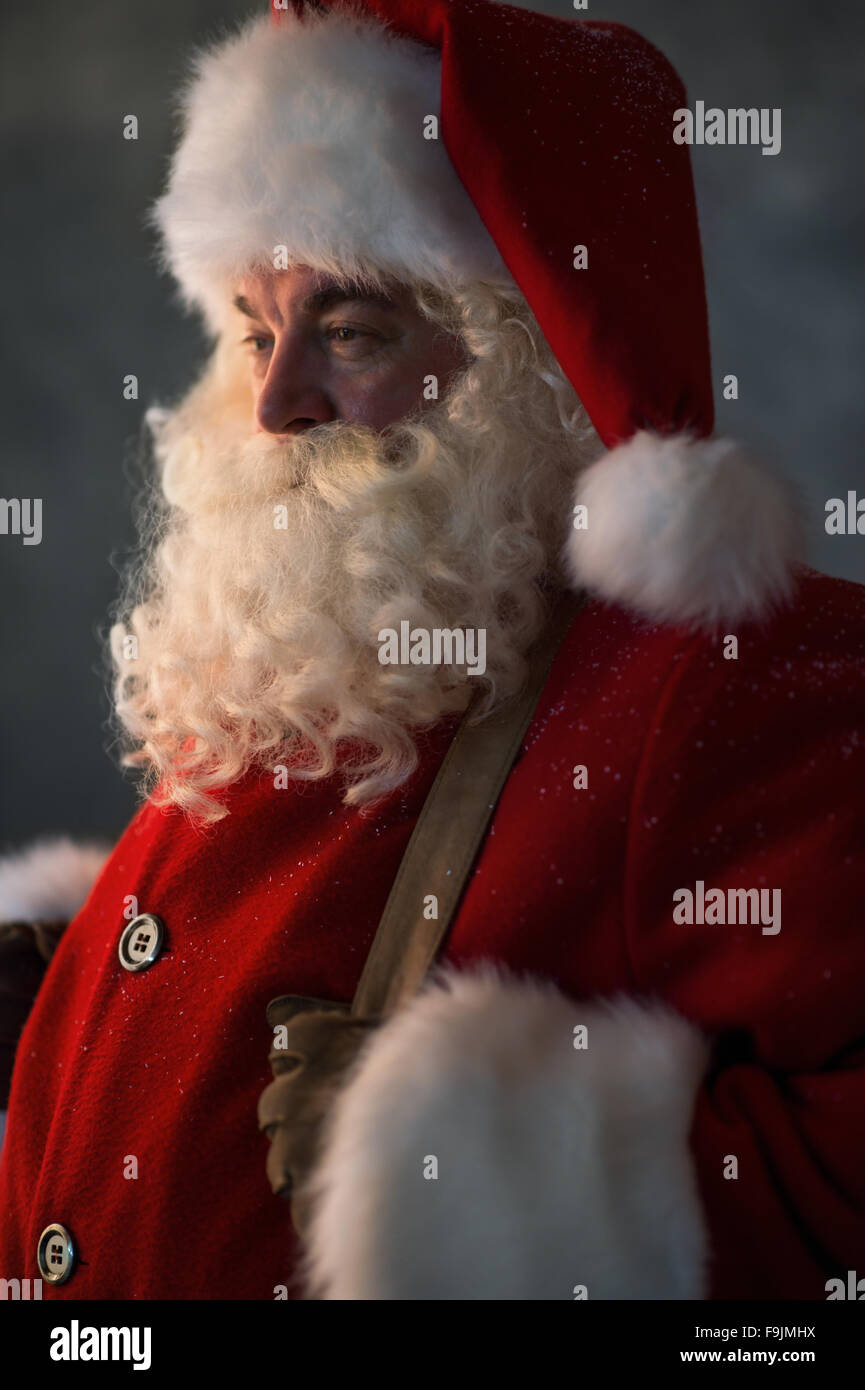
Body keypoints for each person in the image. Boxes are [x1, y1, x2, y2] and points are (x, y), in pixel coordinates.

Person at [0, 0, 863, 1302]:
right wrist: (76, 1017)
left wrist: (495, 1174)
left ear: (531, 359)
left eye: (349, 332)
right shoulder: (316, 638)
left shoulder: (717, 681)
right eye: (251, 328)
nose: (277, 399)